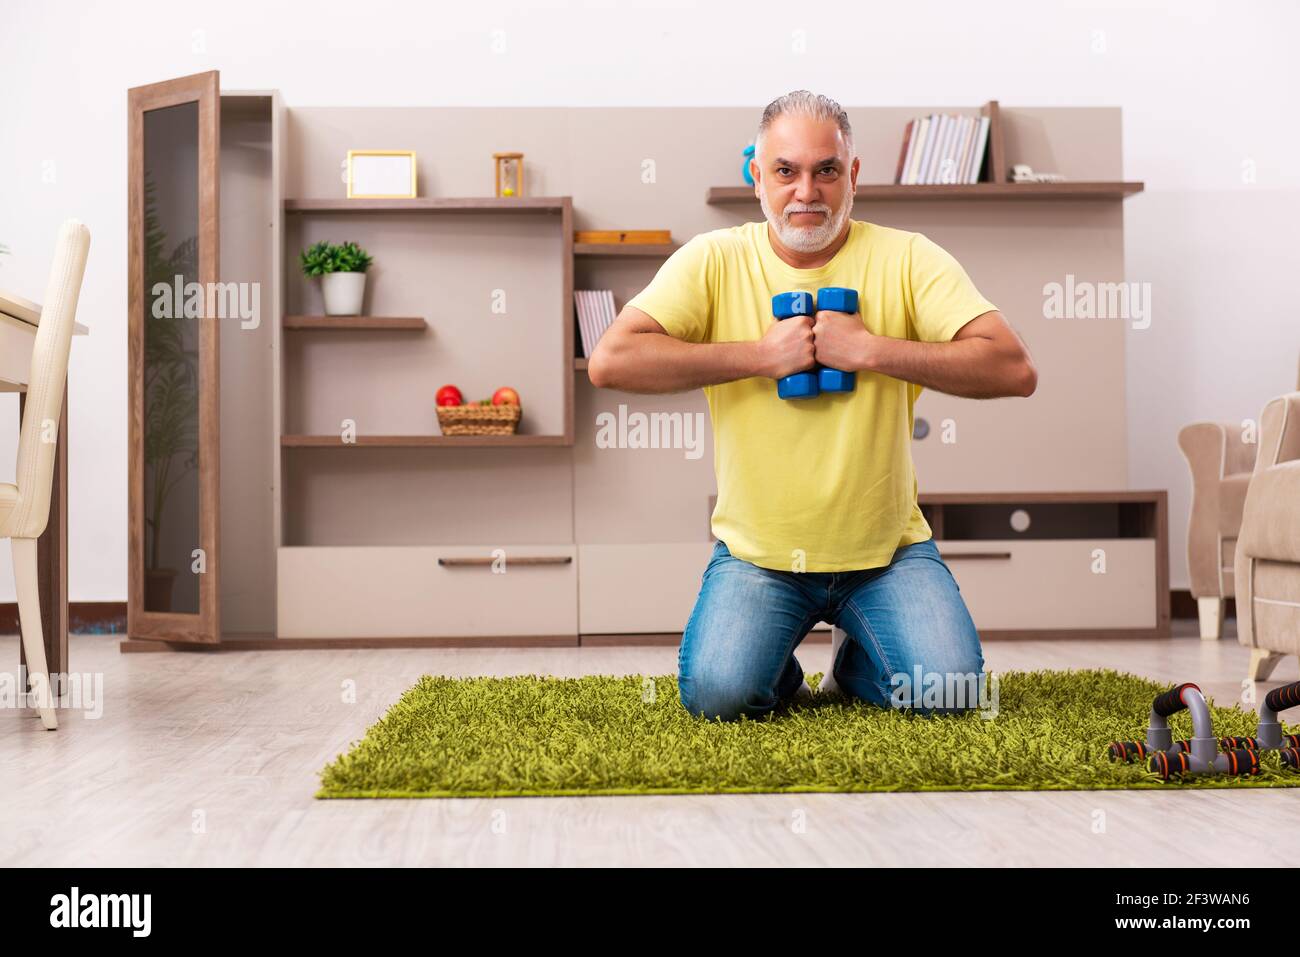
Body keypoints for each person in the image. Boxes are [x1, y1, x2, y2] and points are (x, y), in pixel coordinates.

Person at [587, 90, 1037, 721]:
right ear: (757, 177)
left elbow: (1013, 369)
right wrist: (759, 356)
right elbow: (612, 361)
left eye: (826, 170)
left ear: (852, 175)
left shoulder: (907, 256)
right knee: (720, 695)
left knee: (951, 692)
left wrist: (871, 348)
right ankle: (776, 661)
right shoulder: (715, 258)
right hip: (759, 557)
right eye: (786, 171)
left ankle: (856, 663)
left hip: (885, 555)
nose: (806, 192)